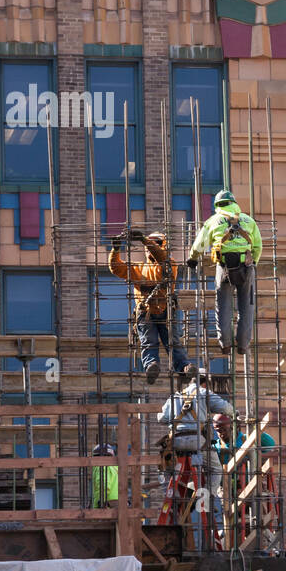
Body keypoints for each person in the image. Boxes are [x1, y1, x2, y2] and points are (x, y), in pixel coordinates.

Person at [157, 370, 236, 546]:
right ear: (205, 383)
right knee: (216, 468)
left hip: (176, 442)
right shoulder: (204, 393)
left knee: (168, 471)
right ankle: (206, 494)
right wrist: (234, 413)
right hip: (195, 442)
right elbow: (226, 409)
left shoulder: (175, 395)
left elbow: (161, 418)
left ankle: (173, 494)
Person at [109, 229, 193, 385]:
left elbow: (161, 258)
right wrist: (115, 250)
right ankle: (152, 366)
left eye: (157, 243)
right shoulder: (138, 268)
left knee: (172, 342)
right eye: (149, 245)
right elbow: (116, 268)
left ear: (164, 246)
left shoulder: (169, 264)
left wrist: (145, 240)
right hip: (145, 312)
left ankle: (184, 367)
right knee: (148, 341)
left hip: (165, 310)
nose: (151, 247)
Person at [188, 190, 262, 358]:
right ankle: (243, 345)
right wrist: (254, 262)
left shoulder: (213, 221)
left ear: (217, 205)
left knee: (223, 307)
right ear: (234, 203)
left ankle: (226, 344)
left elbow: (200, 243)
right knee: (247, 308)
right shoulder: (248, 220)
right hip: (246, 265)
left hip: (225, 266)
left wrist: (192, 258)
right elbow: (258, 245)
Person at [90, 443, 118, 509]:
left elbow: (103, 486)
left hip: (106, 506)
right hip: (117, 505)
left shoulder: (102, 467)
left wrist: (101, 502)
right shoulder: (115, 468)